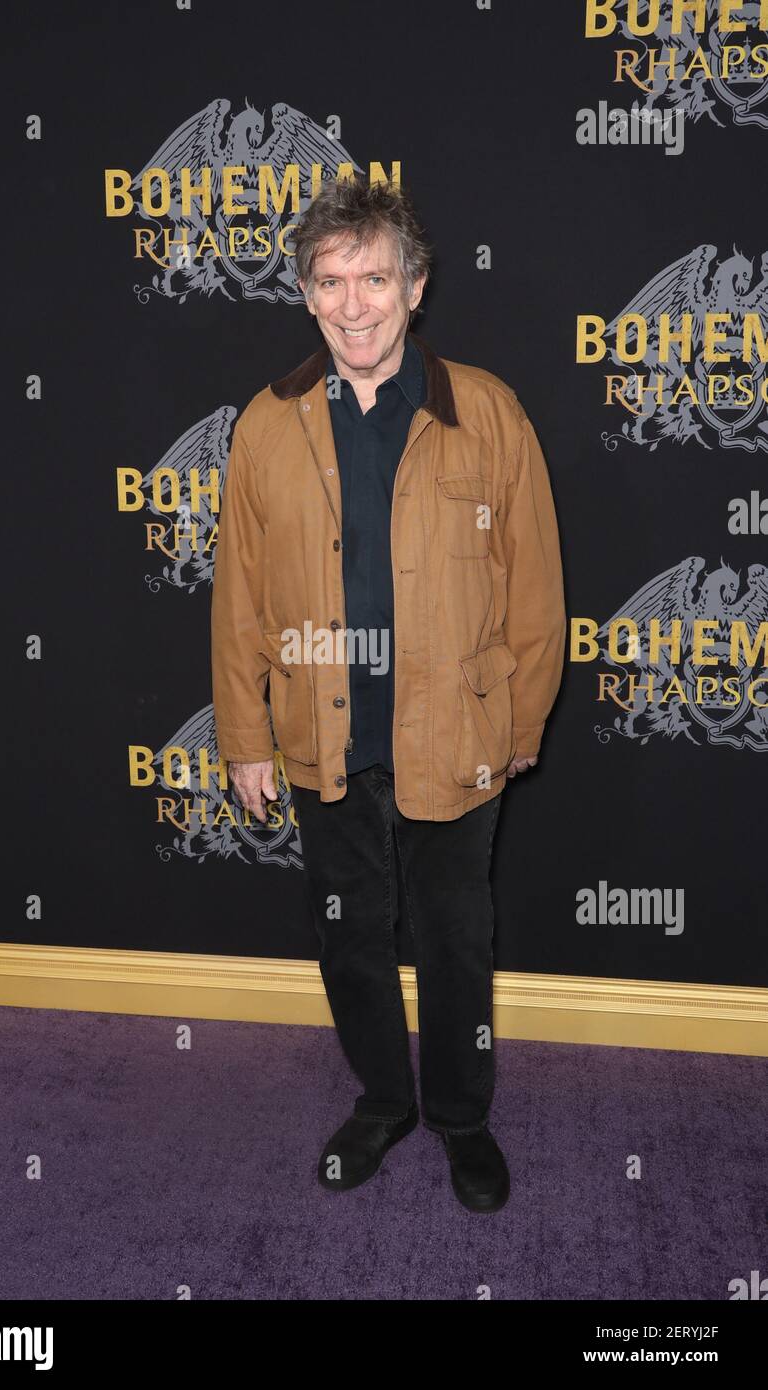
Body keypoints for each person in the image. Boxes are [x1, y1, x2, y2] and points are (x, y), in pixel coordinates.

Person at [210, 176, 566, 1212]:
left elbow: (535, 591)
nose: (353, 303)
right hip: (324, 737)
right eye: (330, 281)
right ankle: (381, 1100)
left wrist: (518, 720)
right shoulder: (265, 428)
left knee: (457, 938)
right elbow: (236, 598)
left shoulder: (487, 412)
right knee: (347, 930)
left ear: (414, 286)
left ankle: (460, 1114)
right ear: (306, 295)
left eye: (374, 277)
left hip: (457, 732)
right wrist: (243, 736)